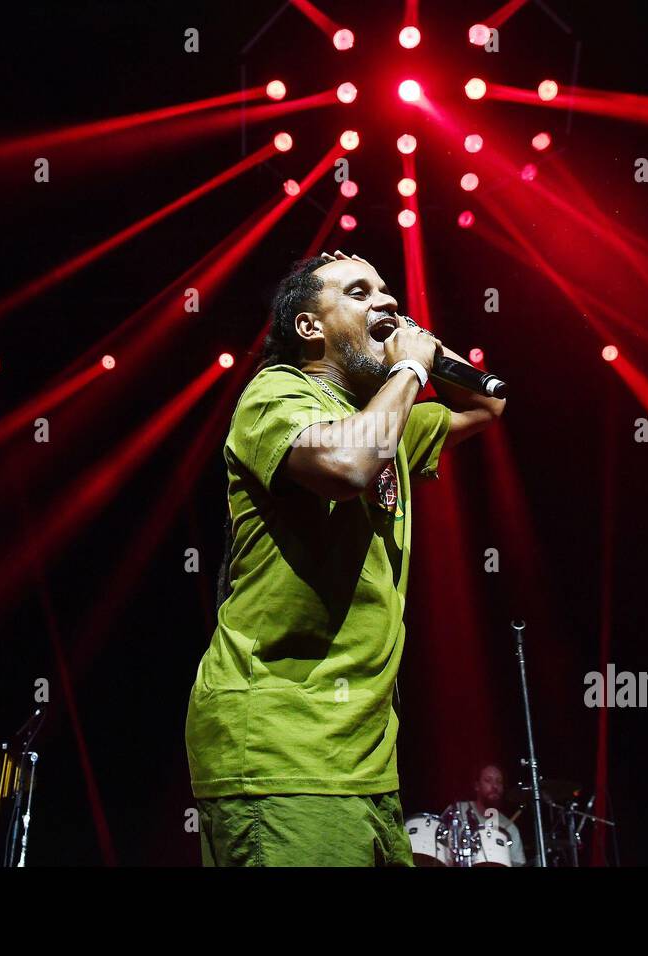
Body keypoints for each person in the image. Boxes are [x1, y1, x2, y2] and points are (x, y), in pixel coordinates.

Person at [185, 250, 506, 866]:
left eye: (387, 292)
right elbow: (350, 465)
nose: (386, 301)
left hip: (366, 760)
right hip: (282, 743)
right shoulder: (275, 394)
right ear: (310, 328)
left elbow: (489, 407)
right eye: (359, 293)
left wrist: (432, 358)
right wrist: (409, 369)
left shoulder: (388, 422)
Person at [449, 762, 528, 867]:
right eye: (488, 780)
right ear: (477, 786)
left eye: (499, 782)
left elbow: (518, 864)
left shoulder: (510, 828)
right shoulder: (457, 810)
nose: (495, 786)